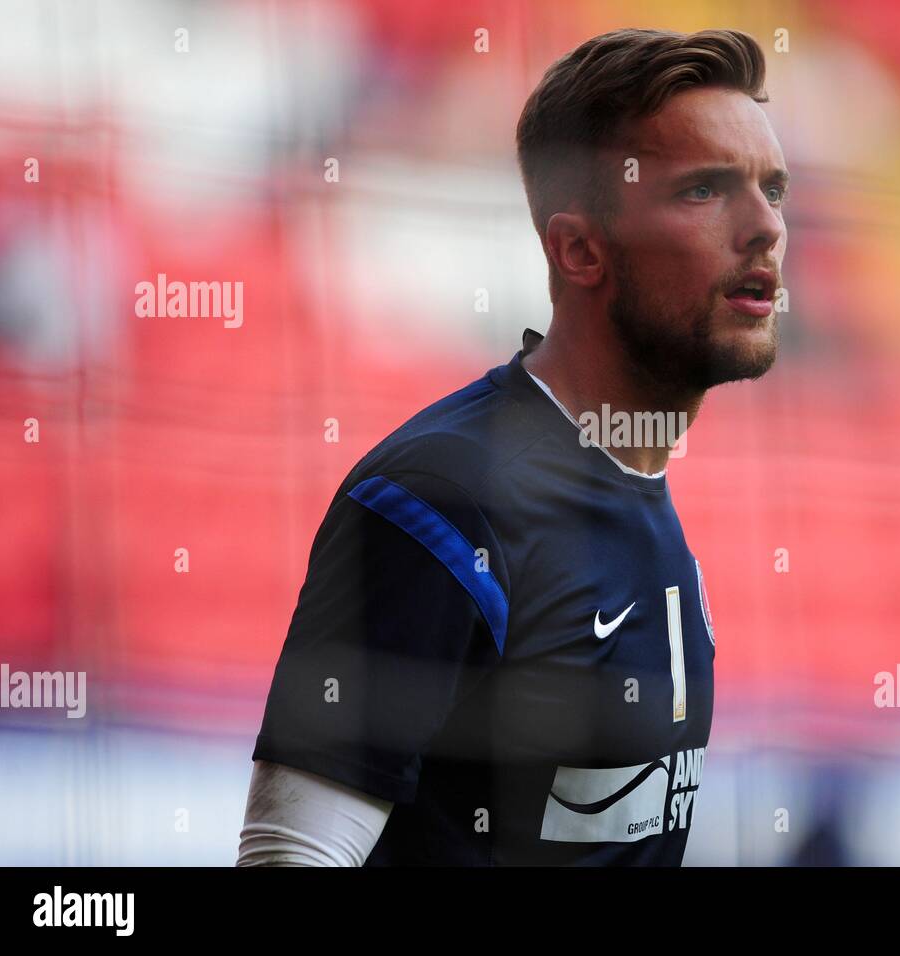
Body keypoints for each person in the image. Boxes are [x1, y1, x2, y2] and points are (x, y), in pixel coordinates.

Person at [237, 26, 789, 866]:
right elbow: (289, 857)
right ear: (578, 249)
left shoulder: (641, 492)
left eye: (773, 190)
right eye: (706, 190)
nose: (765, 229)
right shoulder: (441, 498)